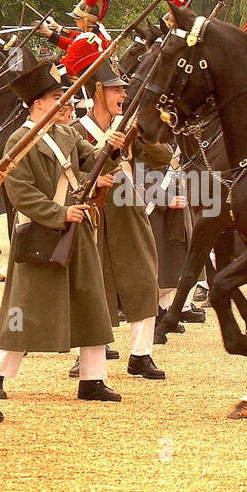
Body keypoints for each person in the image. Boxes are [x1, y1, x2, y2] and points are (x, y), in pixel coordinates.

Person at [0, 59, 124, 402]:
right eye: (58, 96)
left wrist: (114, 147)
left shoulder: (67, 133)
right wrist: (60, 213)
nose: (65, 103)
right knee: (23, 306)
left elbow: (94, 160)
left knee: (90, 301)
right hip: (44, 230)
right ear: (38, 104)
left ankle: (93, 378)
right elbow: (21, 192)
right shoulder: (20, 139)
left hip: (75, 227)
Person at [70, 65, 165, 381]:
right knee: (93, 286)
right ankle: (87, 353)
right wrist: (92, 180)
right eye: (115, 89)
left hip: (127, 207)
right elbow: (68, 172)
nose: (123, 95)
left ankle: (141, 355)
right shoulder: (76, 130)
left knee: (144, 277)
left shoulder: (129, 127)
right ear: (98, 92)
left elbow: (161, 157)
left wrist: (146, 133)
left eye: (124, 89)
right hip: (93, 210)